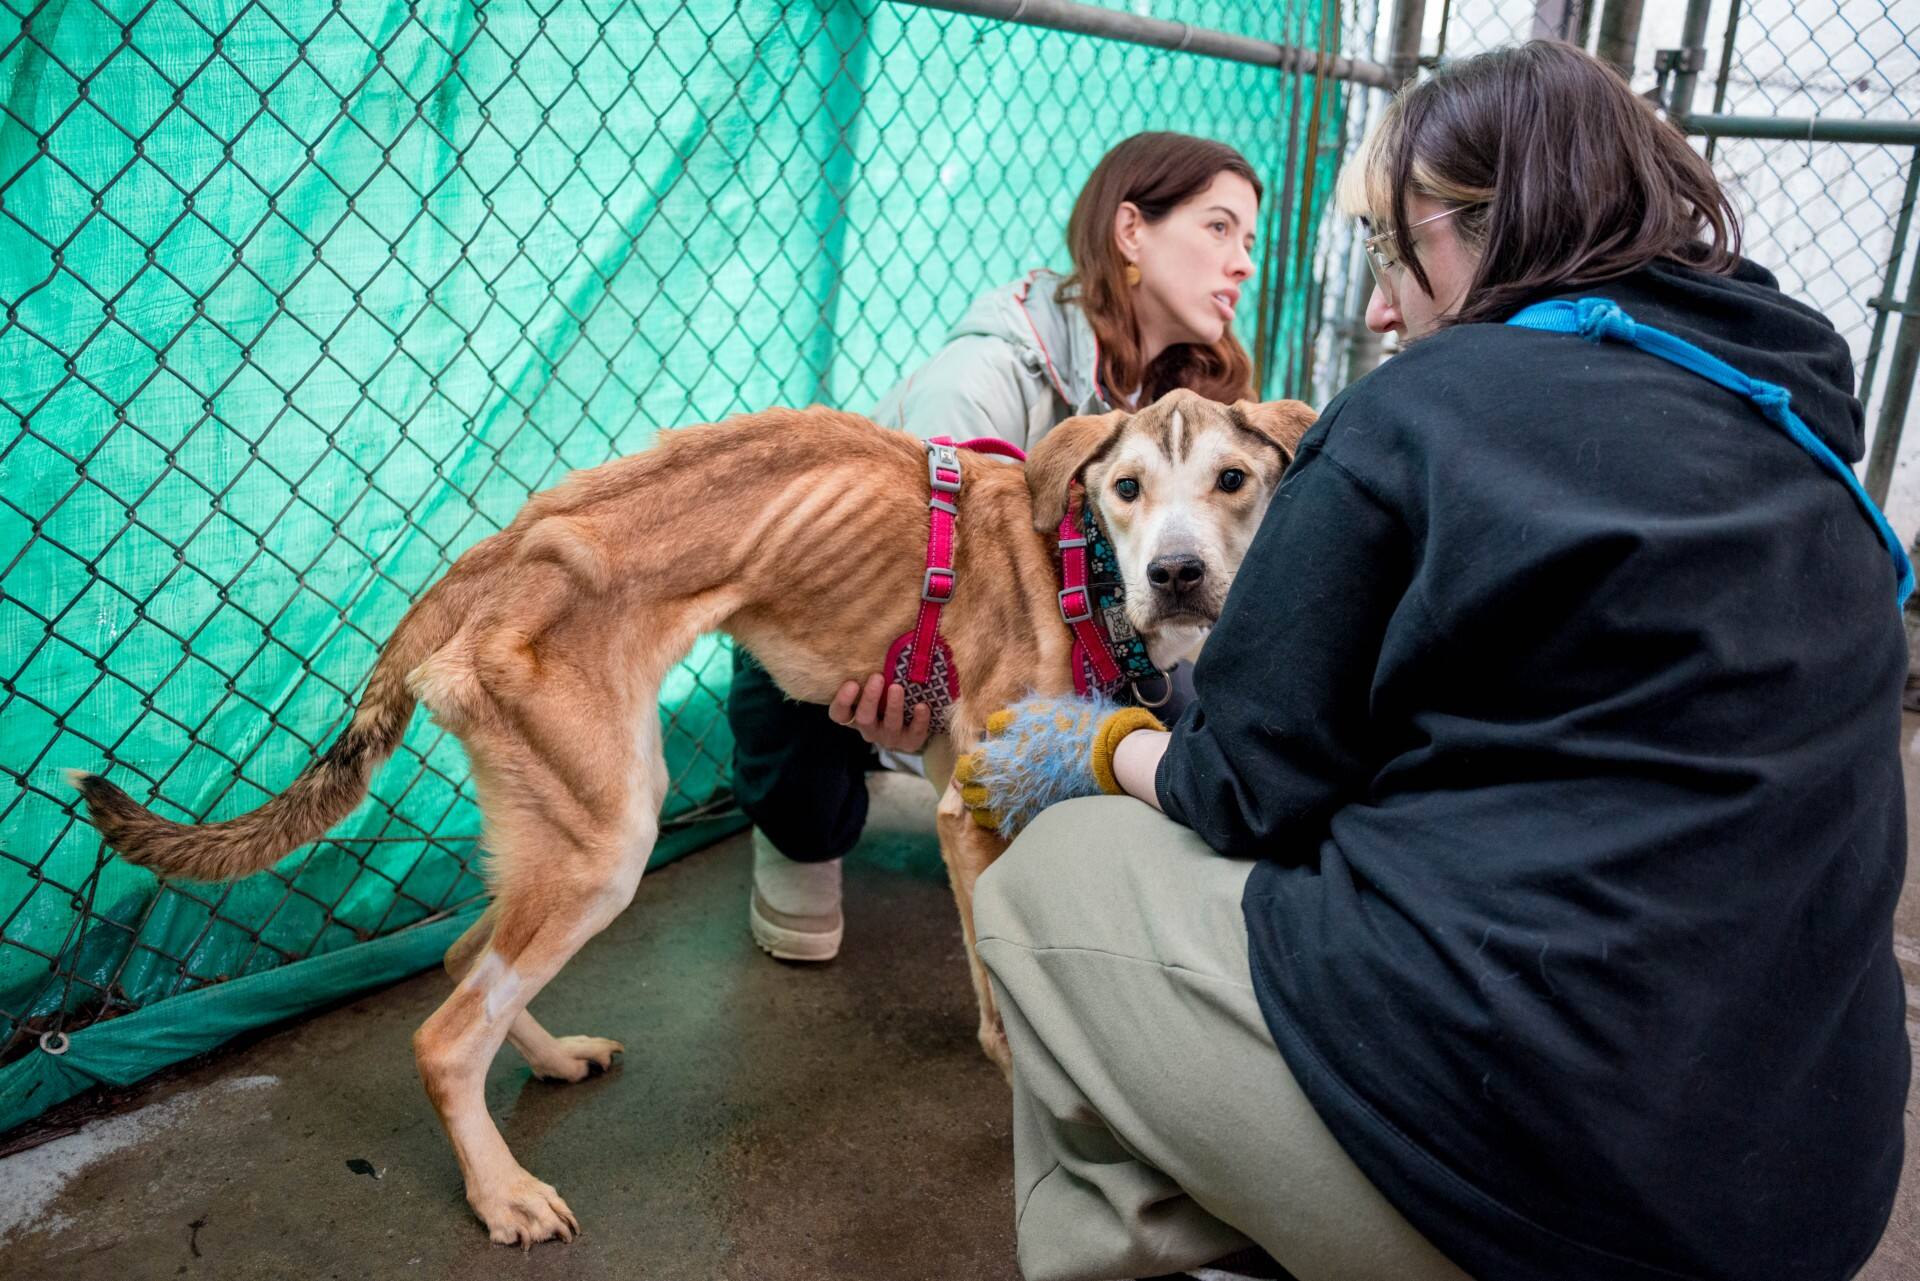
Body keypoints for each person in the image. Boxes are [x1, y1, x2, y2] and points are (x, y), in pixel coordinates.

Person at [956, 40, 1910, 1281]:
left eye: (1395, 255)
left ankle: (1164, 1253)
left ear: (1489, 227)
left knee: (1054, 871)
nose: (1379, 309)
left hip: (1547, 1185)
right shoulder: (1794, 414)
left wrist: (1107, 746)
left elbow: (1248, 784)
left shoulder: (1417, 412)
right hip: (1811, 1193)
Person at [728, 132, 1262, 963]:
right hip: (903, 632)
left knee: (1203, 720)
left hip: (1080, 643)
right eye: (1220, 229)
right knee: (809, 702)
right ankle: (799, 831)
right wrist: (921, 703)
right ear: (1132, 231)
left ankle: (1067, 839)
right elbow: (921, 594)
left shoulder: (1196, 400)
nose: (1242, 264)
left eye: (1251, 242)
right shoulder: (986, 372)